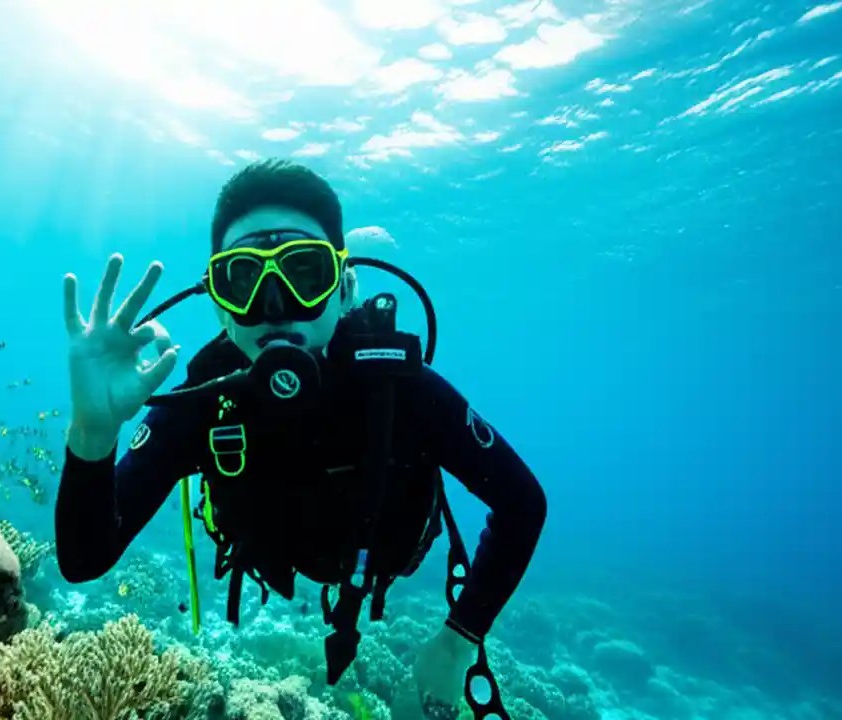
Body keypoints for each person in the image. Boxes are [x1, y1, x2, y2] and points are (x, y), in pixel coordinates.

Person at [55, 159, 547, 719]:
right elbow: (84, 560)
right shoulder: (207, 405)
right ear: (220, 304)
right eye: (243, 278)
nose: (274, 304)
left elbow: (523, 502)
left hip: (383, 558)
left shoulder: (403, 391)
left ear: (344, 289)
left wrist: (458, 640)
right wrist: (93, 434)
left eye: (304, 271)